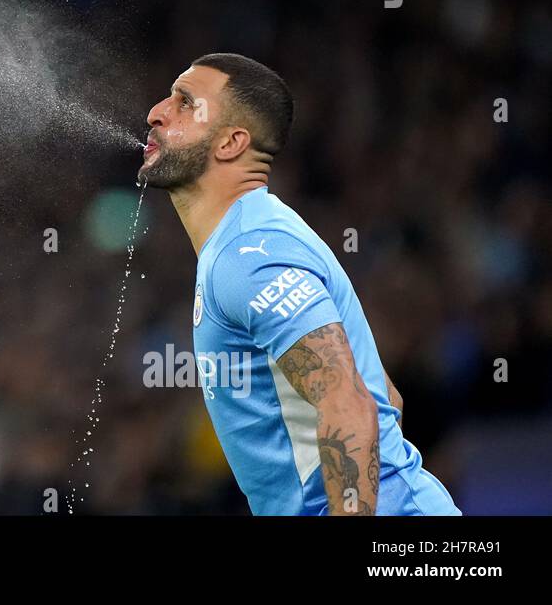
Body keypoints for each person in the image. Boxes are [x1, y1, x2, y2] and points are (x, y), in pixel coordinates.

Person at [139, 53, 460, 515]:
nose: (156, 112)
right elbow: (384, 396)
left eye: (185, 102)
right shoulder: (250, 239)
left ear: (231, 142)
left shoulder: (250, 255)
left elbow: (351, 405)